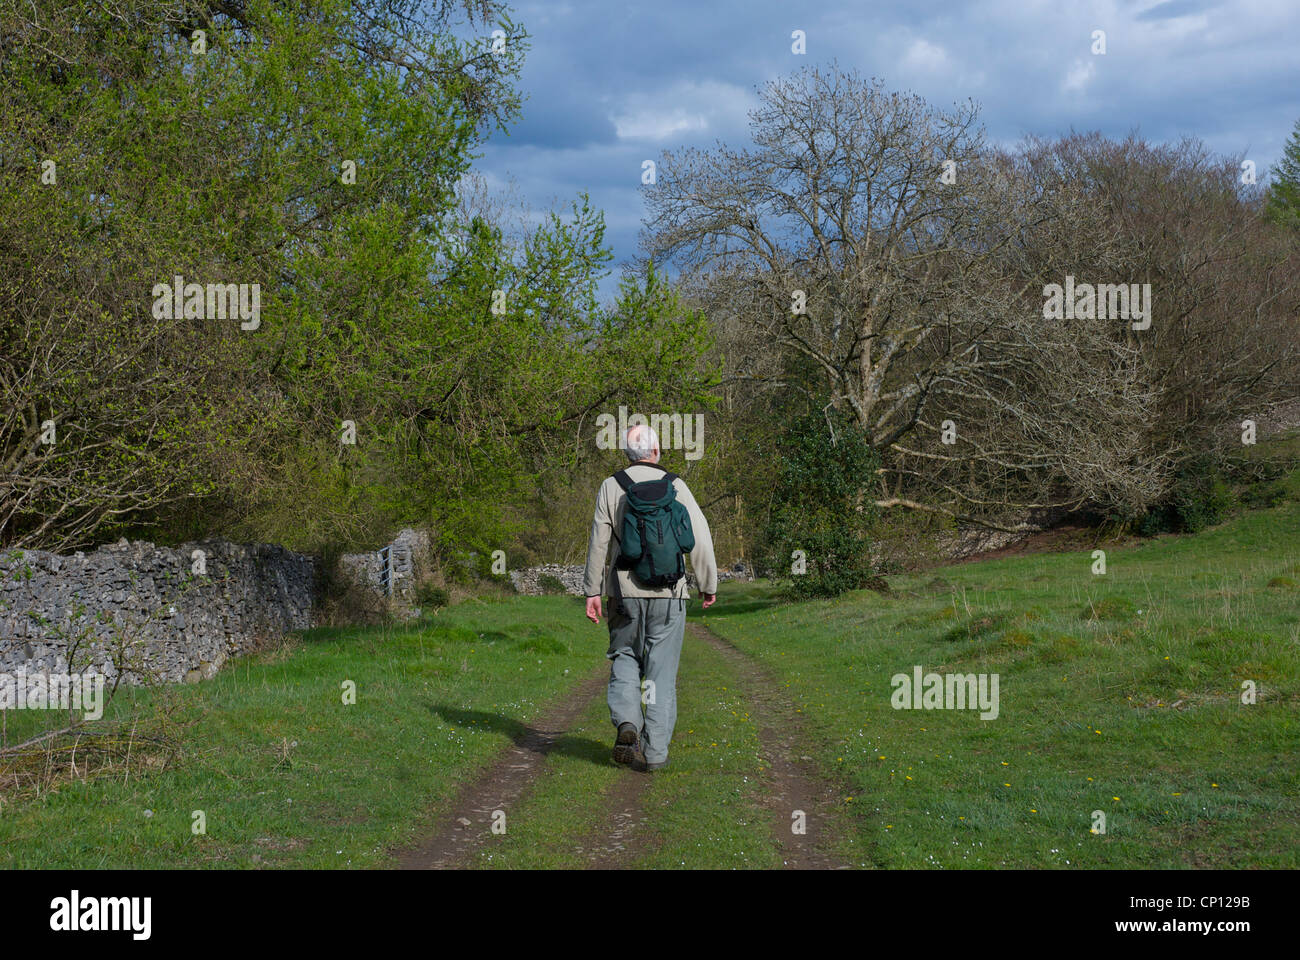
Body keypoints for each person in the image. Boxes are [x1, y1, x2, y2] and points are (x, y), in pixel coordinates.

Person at [583, 423, 717, 771]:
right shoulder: (676, 486)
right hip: (670, 594)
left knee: (625, 656)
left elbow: (598, 541)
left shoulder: (611, 486)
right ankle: (656, 754)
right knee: (660, 673)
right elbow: (700, 537)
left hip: (623, 593)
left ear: (628, 455)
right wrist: (708, 583)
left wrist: (591, 591)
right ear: (656, 452)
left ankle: (628, 721)